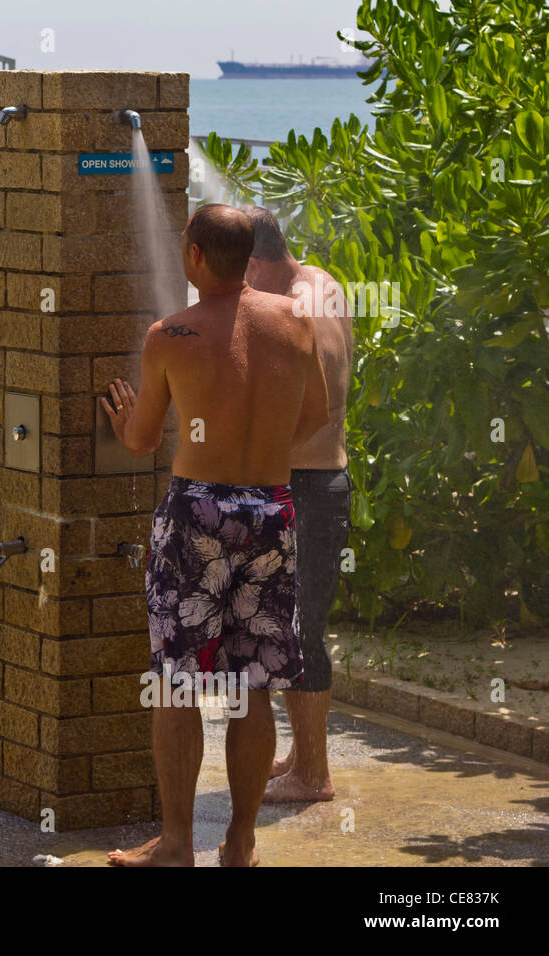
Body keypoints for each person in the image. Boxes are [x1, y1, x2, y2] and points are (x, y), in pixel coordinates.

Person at [99, 203, 328, 866]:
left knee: (178, 683)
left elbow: (142, 440)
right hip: (272, 512)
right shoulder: (296, 322)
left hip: (197, 514)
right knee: (252, 684)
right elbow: (313, 415)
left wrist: (123, 424)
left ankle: (176, 844)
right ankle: (241, 841)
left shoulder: (173, 334)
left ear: (195, 256)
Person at [243, 205, 353, 804]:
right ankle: (302, 754)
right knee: (294, 627)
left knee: (299, 630)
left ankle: (315, 774)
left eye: (243, 276)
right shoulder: (324, 284)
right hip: (326, 481)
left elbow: (311, 403)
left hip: (308, 487)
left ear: (256, 264)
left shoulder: (293, 308)